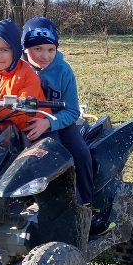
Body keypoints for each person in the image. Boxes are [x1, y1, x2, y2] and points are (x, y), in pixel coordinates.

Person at [20, 18, 96, 222]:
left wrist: (49, 123)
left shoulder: (63, 71)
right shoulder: (17, 69)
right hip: (23, 124)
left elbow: (72, 111)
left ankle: (86, 205)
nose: (45, 56)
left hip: (58, 122)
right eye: (37, 49)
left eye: (50, 49)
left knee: (78, 153)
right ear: (25, 48)